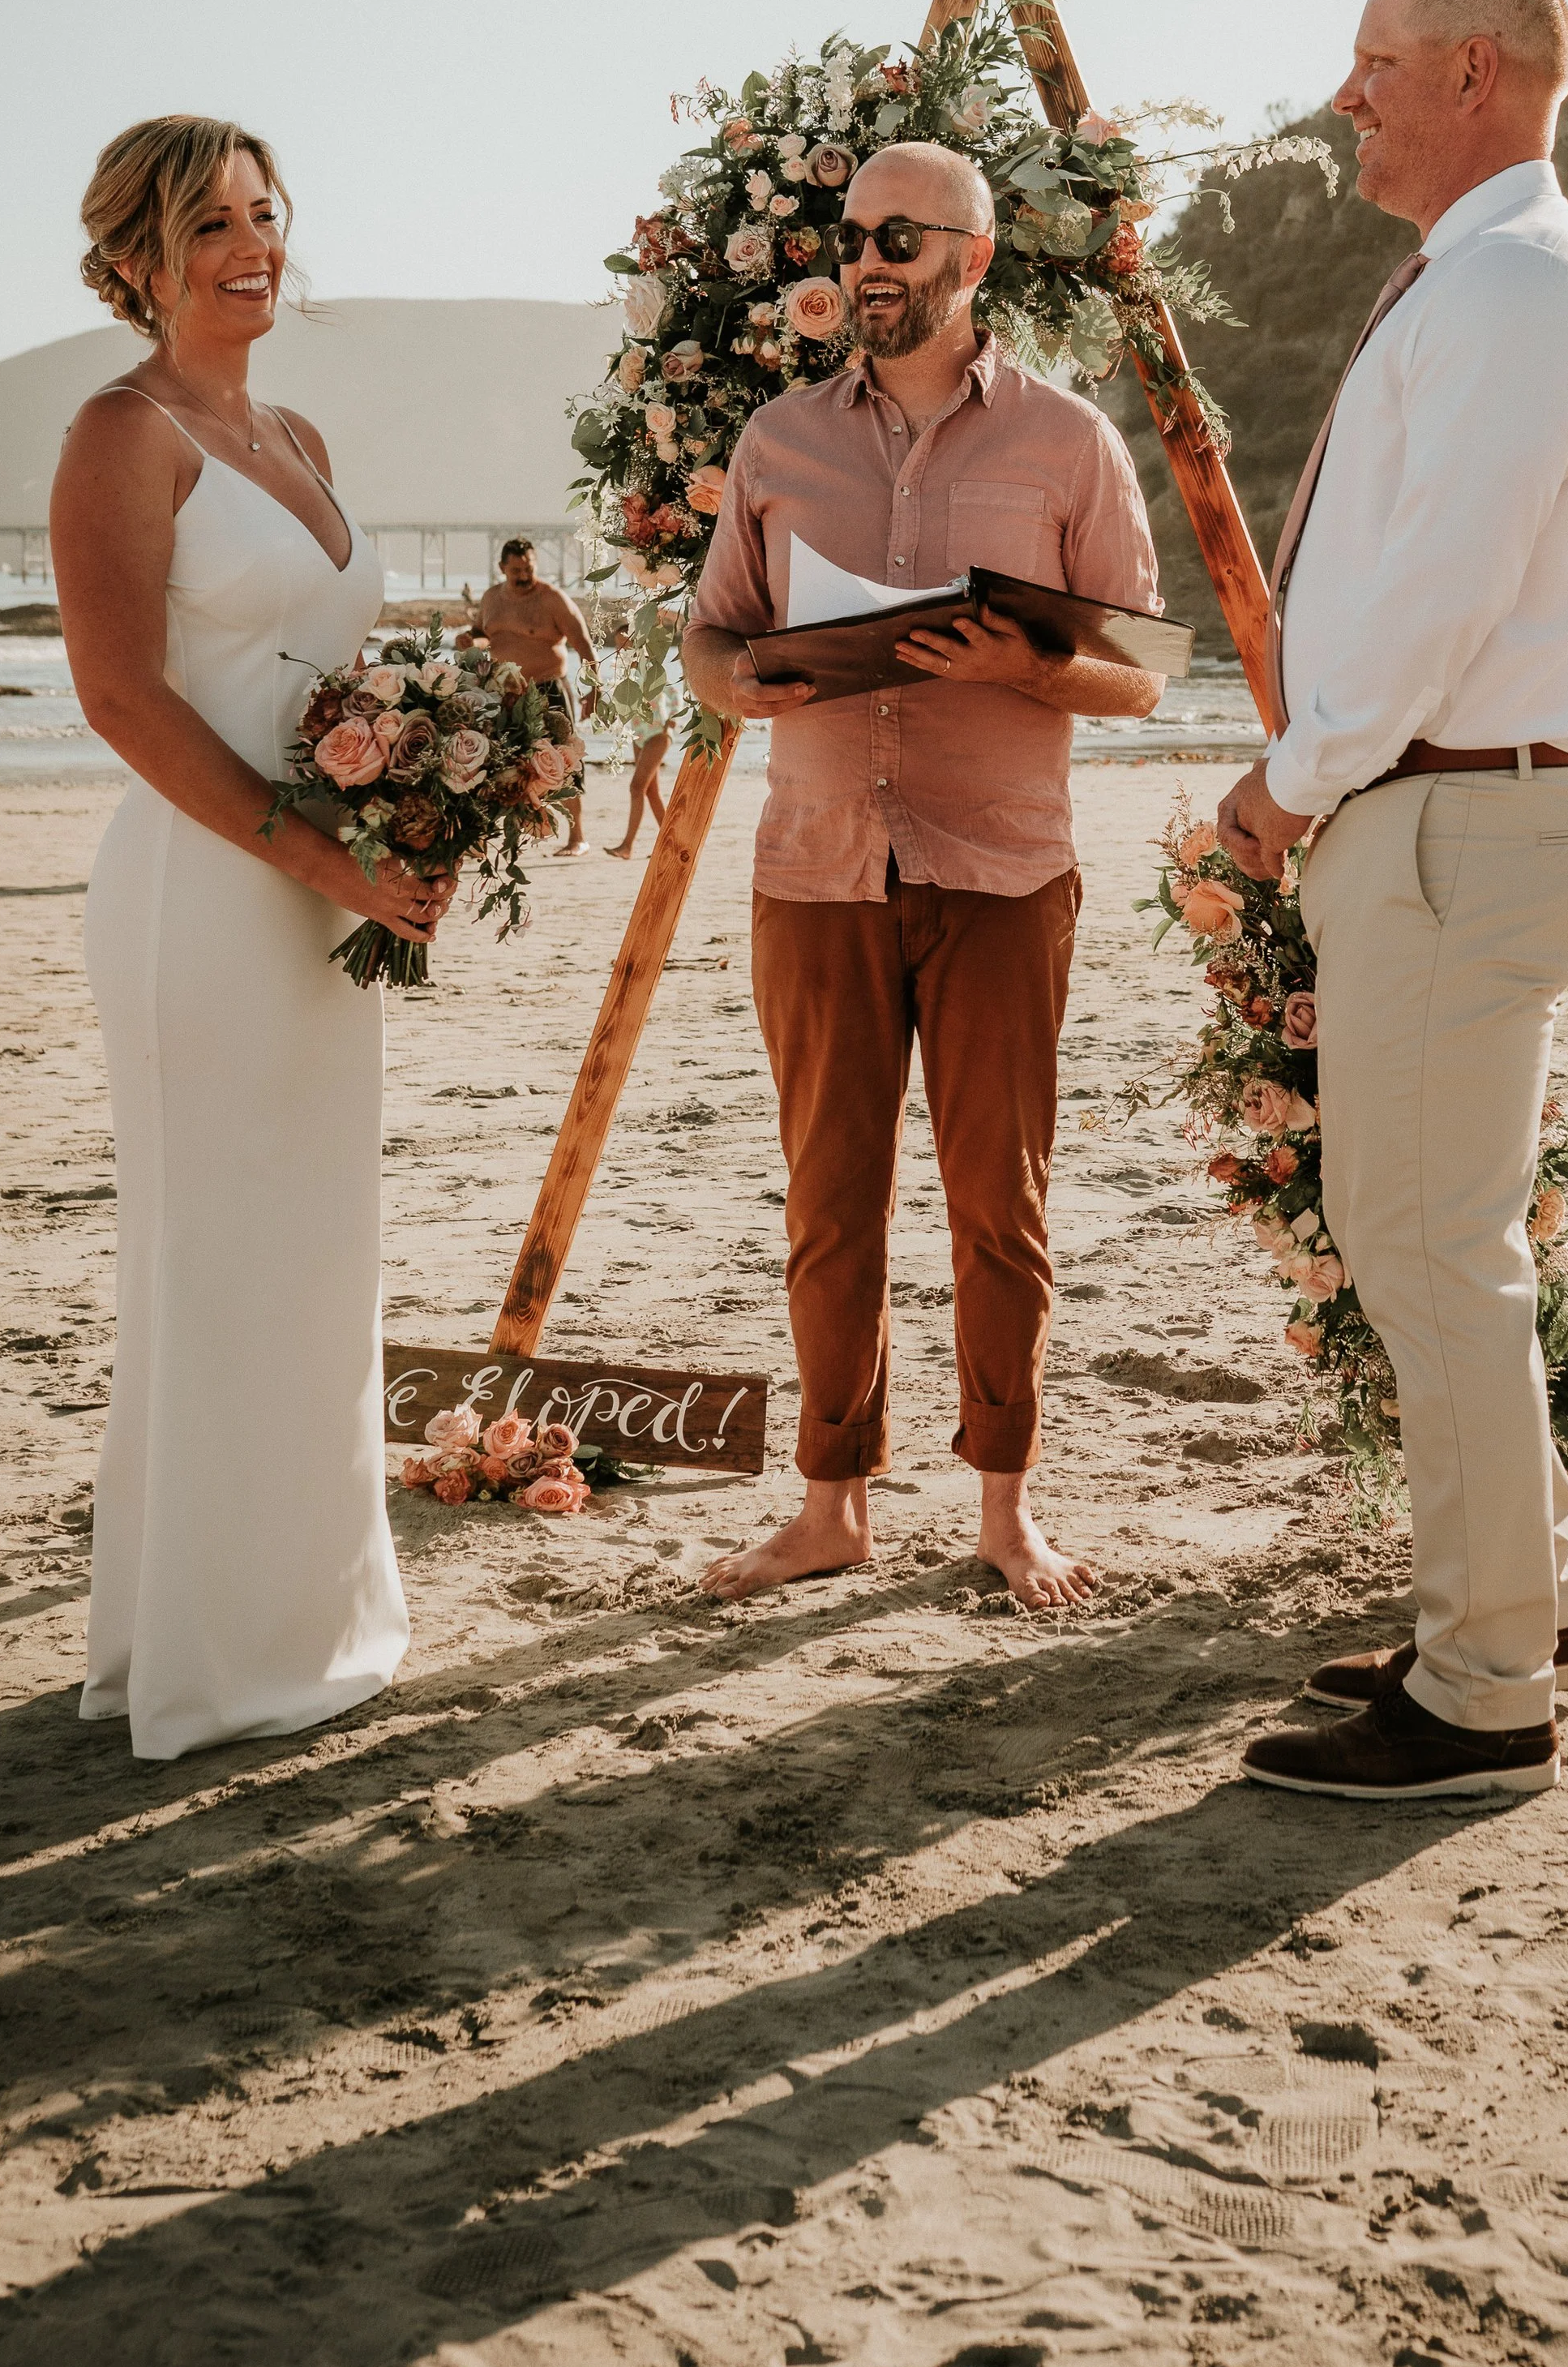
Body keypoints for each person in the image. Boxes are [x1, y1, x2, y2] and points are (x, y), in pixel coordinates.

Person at [1216, 0, 1568, 1801]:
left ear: (1476, 72)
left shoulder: (1511, 289)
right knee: (1438, 1242)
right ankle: (1510, 1601)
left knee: (1423, 1247)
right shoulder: (1498, 280)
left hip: (1457, 814)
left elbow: (1437, 587)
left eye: (1377, 61)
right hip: (1470, 807)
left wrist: (1288, 783)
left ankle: (1484, 1696)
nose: (1348, 97)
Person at [683, 139, 1167, 1610]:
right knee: (829, 1200)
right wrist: (741, 687)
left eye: (900, 238)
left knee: (995, 1204)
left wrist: (1035, 664)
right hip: (816, 873)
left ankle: (1006, 1511)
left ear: (974, 257)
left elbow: (1143, 676)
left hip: (1003, 876)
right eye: (853, 236)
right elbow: (709, 635)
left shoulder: (1070, 442)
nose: (868, 263)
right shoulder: (777, 442)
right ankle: (832, 1504)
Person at [53, 117, 449, 1761]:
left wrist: (417, 805)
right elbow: (123, 692)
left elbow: (322, 684)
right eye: (209, 221)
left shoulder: (295, 430)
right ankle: (208, 1657)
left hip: (313, 899)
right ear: (137, 257)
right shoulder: (119, 431)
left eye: (267, 212)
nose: (252, 241)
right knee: (216, 1260)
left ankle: (296, 1618)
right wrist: (310, 851)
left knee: (313, 1255)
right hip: (200, 899)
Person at [462, 539, 598, 853]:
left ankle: (577, 837)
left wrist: (594, 689)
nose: (524, 575)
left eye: (529, 568)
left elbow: (584, 645)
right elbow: (483, 638)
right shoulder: (491, 597)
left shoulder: (552, 599)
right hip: (504, 692)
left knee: (564, 758)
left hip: (548, 688)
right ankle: (485, 836)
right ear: (502, 569)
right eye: (516, 570)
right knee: (495, 758)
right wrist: (468, 642)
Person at [606, 718, 671, 859]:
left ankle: (627, 846)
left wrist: (672, 720)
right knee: (651, 791)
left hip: (659, 732)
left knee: (636, 788)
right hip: (639, 733)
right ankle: (671, 845)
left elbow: (677, 696)